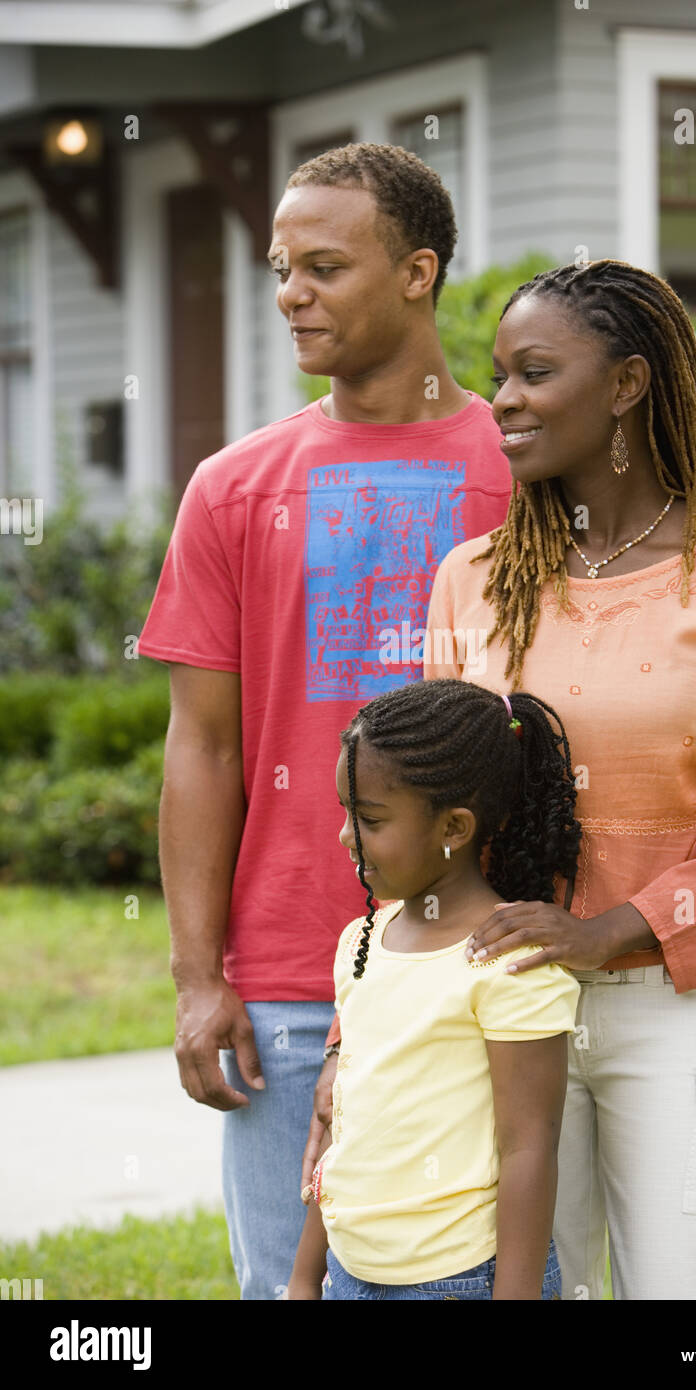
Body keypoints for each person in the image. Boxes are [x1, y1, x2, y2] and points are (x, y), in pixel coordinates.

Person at [136, 143, 516, 1299]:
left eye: (322, 266)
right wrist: (201, 975)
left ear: (416, 272)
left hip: (496, 962)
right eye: (280, 268)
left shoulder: (527, 467)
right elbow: (201, 746)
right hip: (295, 980)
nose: (291, 291)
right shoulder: (233, 485)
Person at [419, 259, 696, 1300]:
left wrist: (605, 933)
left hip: (670, 1005)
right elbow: (424, 821)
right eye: (497, 376)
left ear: (626, 384)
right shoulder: (469, 581)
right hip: (503, 1000)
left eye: (533, 373)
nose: (501, 401)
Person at [288, 678, 581, 1300]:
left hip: (458, 1282)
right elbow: (343, 1125)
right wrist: (303, 1276)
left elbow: (529, 1147)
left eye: (367, 819)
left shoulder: (511, 963)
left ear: (454, 826)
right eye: (347, 813)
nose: (346, 836)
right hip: (349, 1274)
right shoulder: (360, 941)